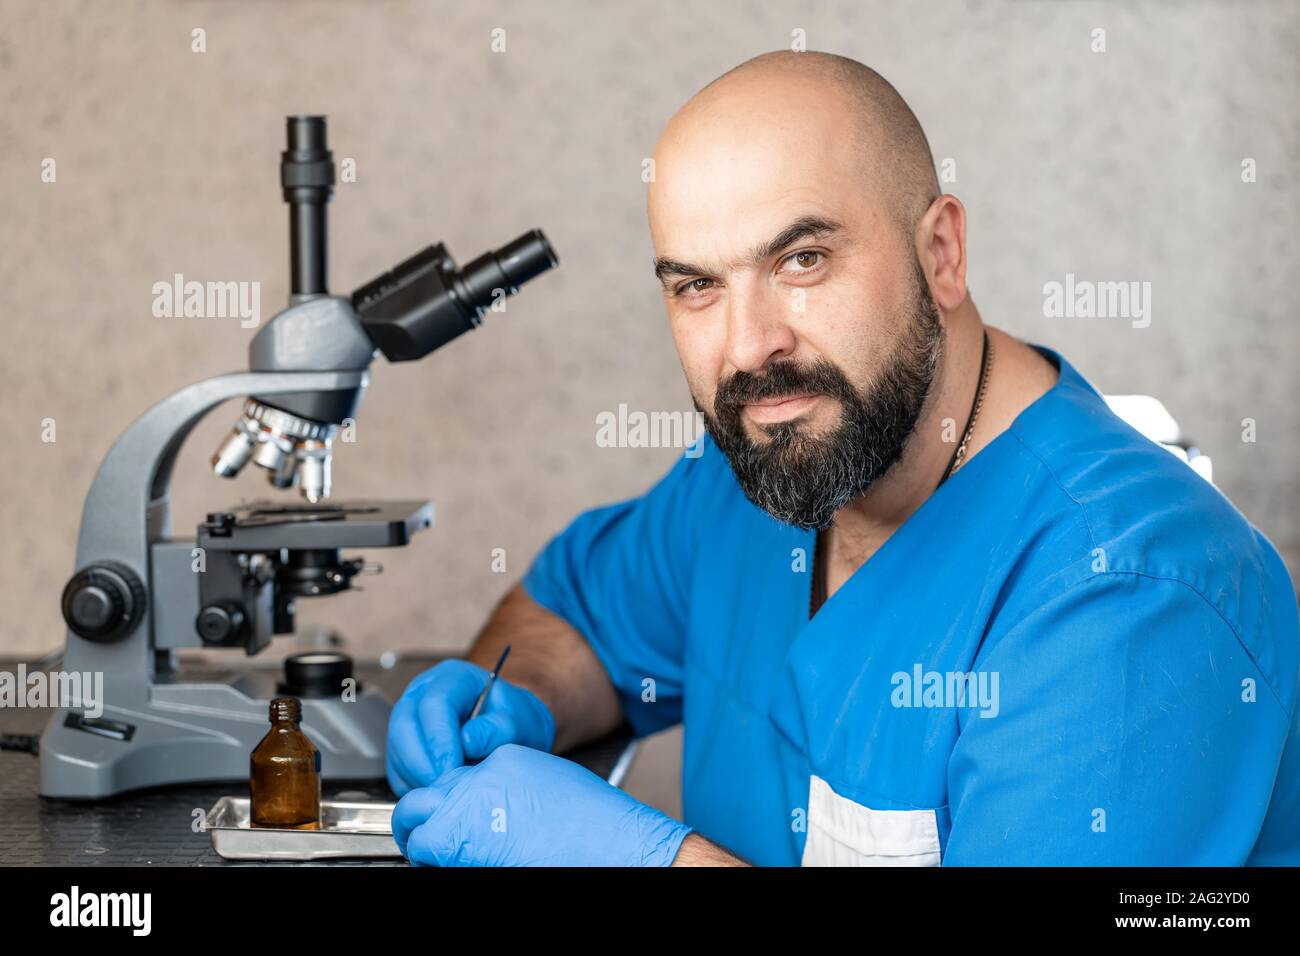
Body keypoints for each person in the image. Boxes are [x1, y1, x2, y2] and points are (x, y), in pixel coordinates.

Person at [387, 50, 1300, 866]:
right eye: (699, 286)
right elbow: (576, 614)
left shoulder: (1131, 597)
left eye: (804, 260)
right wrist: (515, 703)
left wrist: (640, 861)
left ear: (941, 252)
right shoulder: (762, 471)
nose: (748, 348)